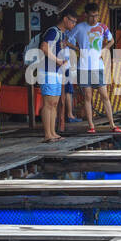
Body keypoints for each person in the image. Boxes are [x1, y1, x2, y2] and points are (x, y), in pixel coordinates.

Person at [69, 2, 121, 133]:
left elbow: (112, 40)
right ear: (86, 15)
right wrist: (78, 50)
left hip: (98, 66)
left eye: (97, 16)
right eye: (92, 16)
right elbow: (67, 41)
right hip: (83, 66)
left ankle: (112, 124)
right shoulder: (79, 27)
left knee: (104, 95)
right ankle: (91, 126)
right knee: (88, 96)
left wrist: (104, 50)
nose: (94, 19)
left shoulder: (103, 27)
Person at [38, 10, 78, 142]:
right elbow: (44, 47)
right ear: (65, 19)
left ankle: (53, 132)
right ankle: (47, 134)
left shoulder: (62, 34)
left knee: (54, 103)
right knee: (48, 103)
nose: (73, 24)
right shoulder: (53, 31)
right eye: (72, 21)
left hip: (55, 71)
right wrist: (57, 60)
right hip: (47, 70)